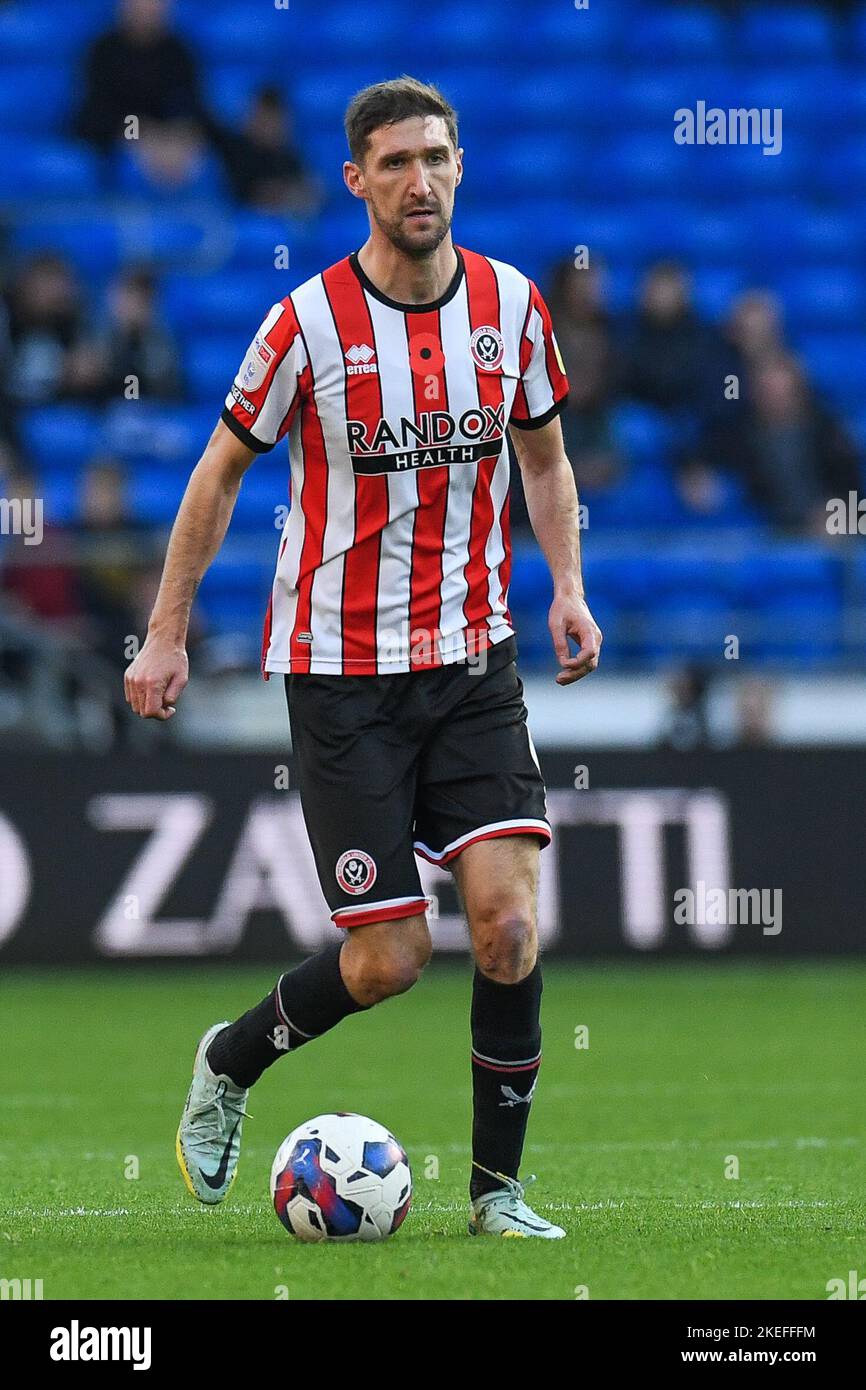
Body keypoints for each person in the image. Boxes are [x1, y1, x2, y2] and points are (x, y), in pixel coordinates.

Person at [124, 77, 602, 1240]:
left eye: (435, 157)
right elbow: (218, 474)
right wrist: (168, 628)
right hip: (339, 674)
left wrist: (568, 590)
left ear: (459, 164)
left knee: (504, 923)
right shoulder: (305, 326)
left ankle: (496, 1195)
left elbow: (541, 459)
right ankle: (232, 1059)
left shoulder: (512, 306)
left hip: (472, 660)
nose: (419, 180)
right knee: (388, 957)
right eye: (393, 163)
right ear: (356, 181)